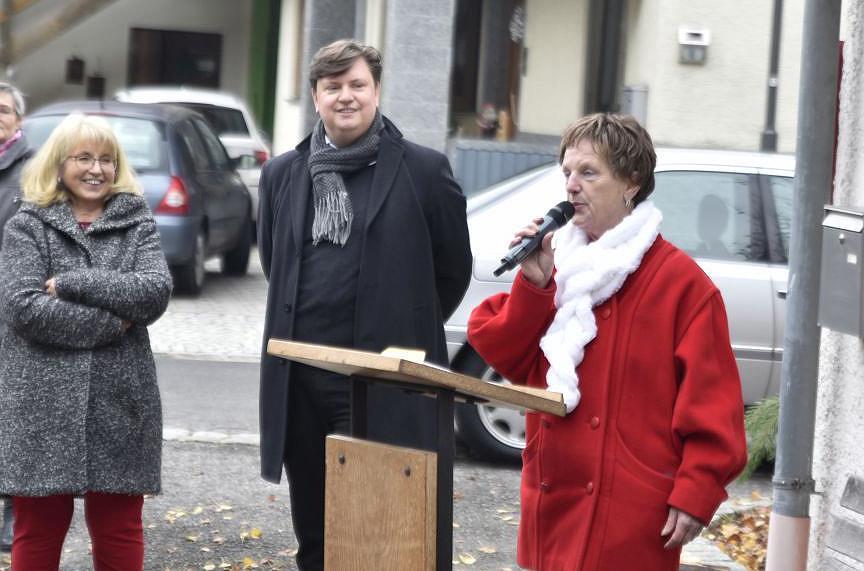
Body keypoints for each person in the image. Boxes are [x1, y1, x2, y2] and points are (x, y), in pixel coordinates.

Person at [467, 113, 747, 570]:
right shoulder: (559, 267)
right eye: (567, 173)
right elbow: (508, 358)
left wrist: (697, 492)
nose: (572, 186)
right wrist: (533, 288)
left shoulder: (683, 286)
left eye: (589, 173)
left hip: (631, 513)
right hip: (553, 501)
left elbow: (715, 412)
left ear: (631, 183)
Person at [257, 39, 472, 570]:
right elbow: (274, 265)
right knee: (317, 535)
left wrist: (400, 322)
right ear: (315, 96)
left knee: (384, 536)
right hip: (301, 381)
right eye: (334, 87)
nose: (345, 97)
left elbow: (451, 271)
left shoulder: (424, 171)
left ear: (377, 92)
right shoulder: (283, 174)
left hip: (385, 383)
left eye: (358, 85)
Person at [0, 113, 172, 569]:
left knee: (119, 527)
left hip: (120, 400)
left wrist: (75, 283)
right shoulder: (27, 225)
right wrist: (114, 322)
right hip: (40, 401)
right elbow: (24, 309)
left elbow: (154, 293)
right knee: (37, 527)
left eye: (106, 159)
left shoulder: (137, 222)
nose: (96, 169)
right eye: (83, 158)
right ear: (59, 165)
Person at [0, 81, 33, 553]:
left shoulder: (30, 173)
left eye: (3, 110)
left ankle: (13, 518)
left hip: (12, 313)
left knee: (14, 416)